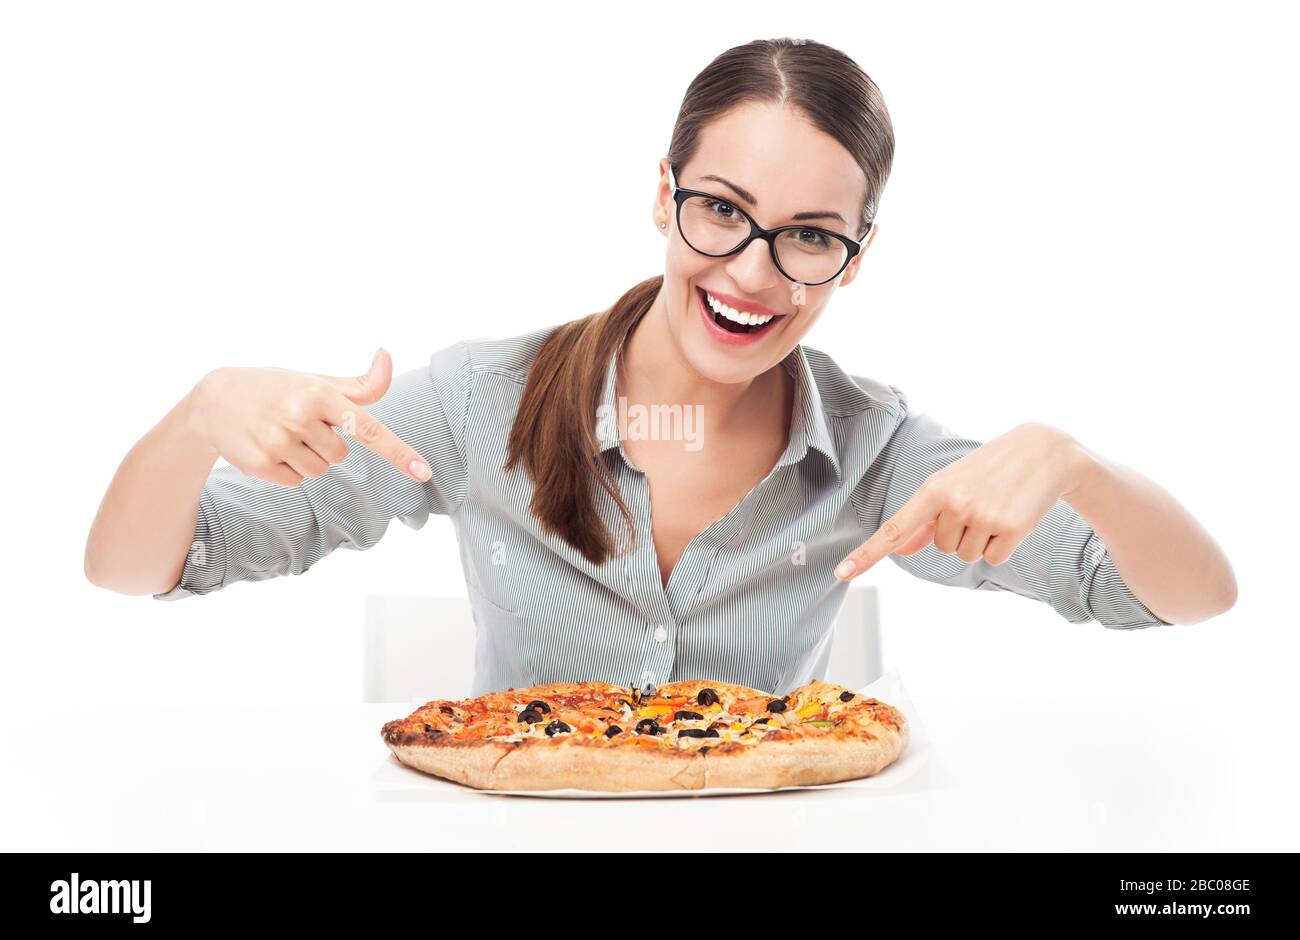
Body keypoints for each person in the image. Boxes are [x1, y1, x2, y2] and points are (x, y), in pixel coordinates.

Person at [83, 37, 1236, 698]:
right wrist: (194, 420)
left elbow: (1185, 597)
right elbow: (139, 569)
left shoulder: (876, 452)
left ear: (855, 255)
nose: (753, 270)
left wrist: (1075, 462)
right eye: (721, 211)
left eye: (809, 236)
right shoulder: (474, 400)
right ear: (662, 194)